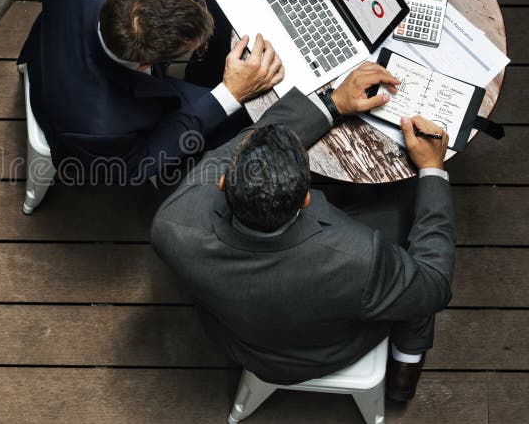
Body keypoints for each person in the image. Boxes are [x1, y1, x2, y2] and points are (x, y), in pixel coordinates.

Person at [151, 44, 455, 401]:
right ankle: (407, 358)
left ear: (222, 183)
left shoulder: (172, 223)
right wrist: (432, 170)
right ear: (307, 198)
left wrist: (333, 104)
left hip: (240, 340)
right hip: (326, 351)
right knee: (409, 216)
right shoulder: (358, 258)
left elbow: (240, 147)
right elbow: (434, 286)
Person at [17, 0, 344, 183]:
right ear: (148, 65)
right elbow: (141, 164)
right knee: (249, 119)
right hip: (88, 101)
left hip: (65, 23)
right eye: (196, 47)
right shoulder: (99, 127)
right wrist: (229, 95)